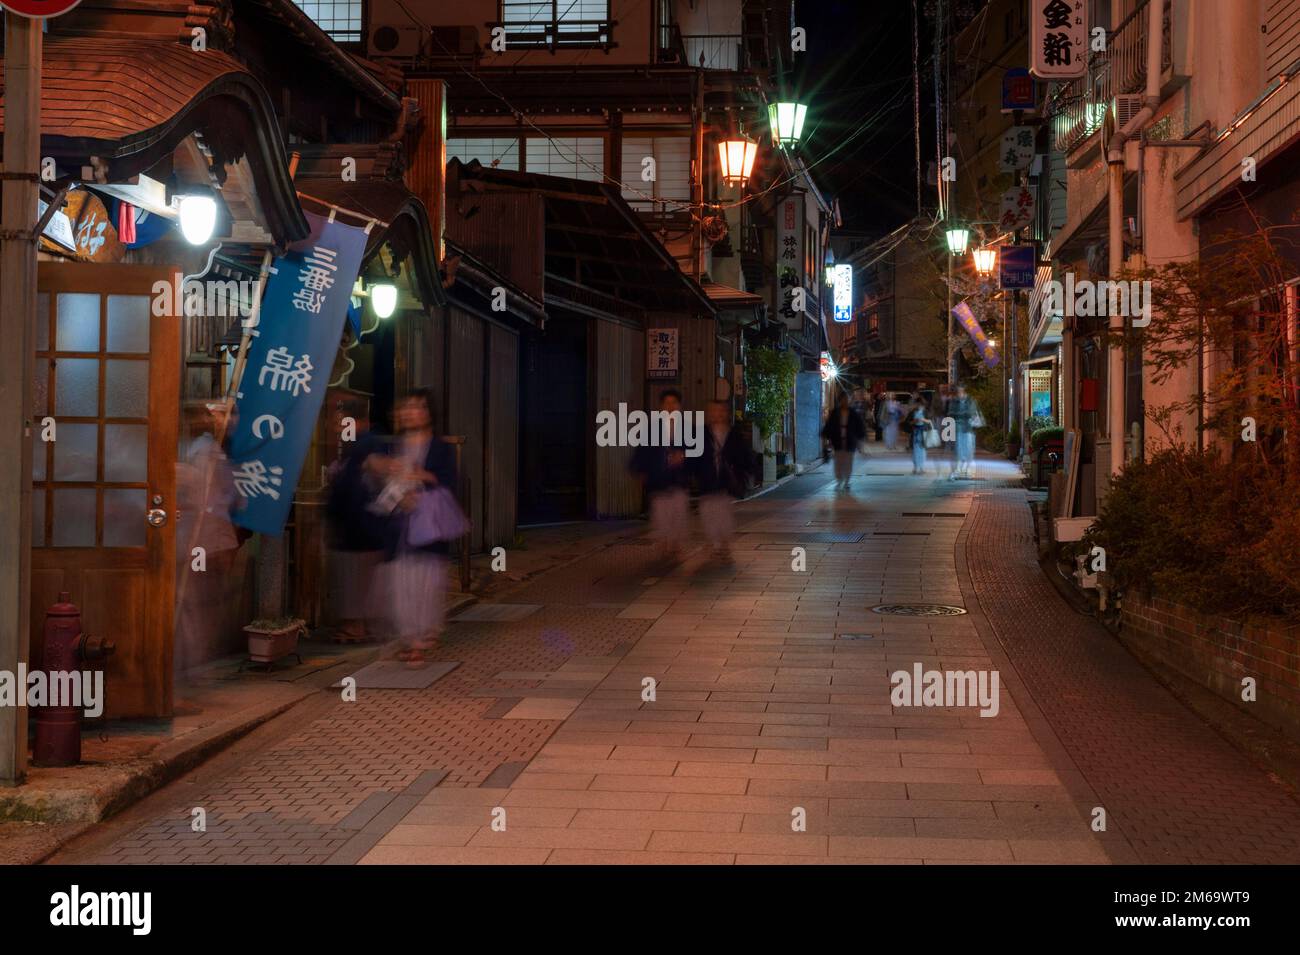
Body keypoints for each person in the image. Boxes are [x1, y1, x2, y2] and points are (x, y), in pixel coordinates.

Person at [370, 389, 457, 664]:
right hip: (398, 528)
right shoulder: (392, 446)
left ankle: (418, 640)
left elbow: (449, 484)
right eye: (405, 406)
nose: (409, 411)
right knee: (400, 584)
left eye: (417, 406)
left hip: (428, 529)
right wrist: (380, 469)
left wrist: (421, 478)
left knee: (425, 584)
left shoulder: (441, 447)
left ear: (428, 413)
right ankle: (410, 638)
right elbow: (376, 481)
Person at [174, 400, 241, 675]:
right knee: (197, 606)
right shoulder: (202, 450)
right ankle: (192, 669)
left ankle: (191, 669)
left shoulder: (204, 451)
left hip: (202, 537)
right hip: (206, 537)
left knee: (194, 605)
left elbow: (215, 495)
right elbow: (231, 495)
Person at [324, 410, 388, 641]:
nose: (339, 427)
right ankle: (359, 625)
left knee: (355, 581)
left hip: (360, 526)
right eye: (337, 422)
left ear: (361, 421)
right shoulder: (357, 446)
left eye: (344, 421)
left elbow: (362, 485)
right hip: (359, 526)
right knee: (356, 581)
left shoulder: (366, 444)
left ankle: (356, 627)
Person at [630, 389, 691, 562]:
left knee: (678, 515)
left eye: (674, 403)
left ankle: (676, 544)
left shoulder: (688, 428)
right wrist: (638, 470)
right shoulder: (651, 428)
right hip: (658, 480)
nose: (670, 407)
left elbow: (698, 452)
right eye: (667, 403)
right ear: (661, 407)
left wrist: (684, 456)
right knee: (661, 517)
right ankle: (665, 545)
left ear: (679, 406)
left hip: (679, 480)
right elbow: (642, 452)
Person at [693, 401, 750, 562]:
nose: (717, 414)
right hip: (707, 480)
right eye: (713, 411)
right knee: (707, 513)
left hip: (725, 481)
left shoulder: (733, 434)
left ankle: (723, 544)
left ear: (726, 413)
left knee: (723, 514)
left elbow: (744, 456)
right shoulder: (702, 433)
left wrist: (744, 472)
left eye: (721, 411)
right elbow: (693, 456)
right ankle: (713, 543)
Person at [822, 392, 866, 492]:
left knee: (848, 462)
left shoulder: (853, 413)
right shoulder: (835, 412)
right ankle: (839, 480)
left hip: (850, 441)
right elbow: (829, 426)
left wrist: (860, 441)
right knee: (838, 462)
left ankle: (846, 481)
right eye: (843, 399)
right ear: (840, 401)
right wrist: (827, 439)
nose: (845, 401)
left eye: (847, 399)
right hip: (837, 441)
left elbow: (859, 427)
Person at [949, 383, 980, 479]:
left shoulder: (970, 401)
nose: (959, 393)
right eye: (958, 391)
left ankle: (967, 471)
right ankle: (958, 471)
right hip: (958, 429)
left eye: (960, 390)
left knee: (968, 450)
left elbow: (972, 413)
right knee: (959, 450)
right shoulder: (954, 401)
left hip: (968, 429)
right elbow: (950, 413)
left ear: (964, 390)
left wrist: (962, 415)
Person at [906, 393, 932, 475]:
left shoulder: (925, 412)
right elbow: (908, 422)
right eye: (918, 404)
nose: (919, 406)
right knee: (915, 451)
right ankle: (915, 467)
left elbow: (930, 421)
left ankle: (921, 467)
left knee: (923, 451)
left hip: (923, 433)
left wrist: (923, 420)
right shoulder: (913, 412)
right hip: (915, 433)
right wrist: (914, 421)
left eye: (920, 404)